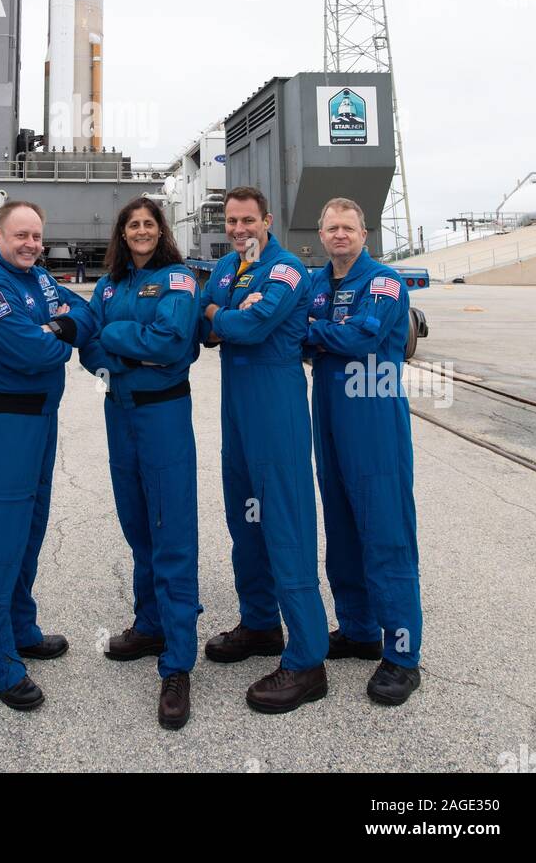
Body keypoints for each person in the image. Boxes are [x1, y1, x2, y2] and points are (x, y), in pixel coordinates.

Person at [0, 201, 95, 711]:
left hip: (41, 418)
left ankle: (19, 626)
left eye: (37, 236)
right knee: (1, 534)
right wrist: (57, 337)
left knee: (31, 527)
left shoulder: (37, 280)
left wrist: (55, 328)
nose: (31, 244)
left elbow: (85, 313)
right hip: (6, 423)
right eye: (21, 235)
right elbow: (32, 352)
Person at [200, 187, 330, 713]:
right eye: (231, 221)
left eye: (247, 220)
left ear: (267, 221)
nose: (238, 229)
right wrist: (220, 312)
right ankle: (260, 624)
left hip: (276, 406)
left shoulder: (285, 270)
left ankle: (307, 659)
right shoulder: (228, 269)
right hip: (237, 405)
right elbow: (206, 333)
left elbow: (248, 327)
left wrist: (220, 312)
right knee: (245, 520)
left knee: (285, 524)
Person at [79, 198, 201, 730]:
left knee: (171, 531)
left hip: (163, 415)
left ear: (161, 230)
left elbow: (173, 344)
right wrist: (124, 350)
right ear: (122, 234)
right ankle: (150, 623)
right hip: (119, 414)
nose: (142, 231)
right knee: (136, 526)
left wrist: (114, 338)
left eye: (150, 224)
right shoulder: (109, 286)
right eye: (133, 225)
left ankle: (177, 663)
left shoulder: (179, 280)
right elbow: (89, 349)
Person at [306, 197, 422, 706]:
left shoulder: (384, 283)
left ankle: (401, 655)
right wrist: (321, 337)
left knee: (386, 531)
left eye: (347, 227)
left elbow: (363, 337)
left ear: (364, 232)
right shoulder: (316, 283)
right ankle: (357, 629)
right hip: (329, 415)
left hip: (373, 416)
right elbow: (306, 341)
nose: (339, 235)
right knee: (343, 525)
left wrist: (317, 335)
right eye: (331, 227)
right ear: (321, 233)